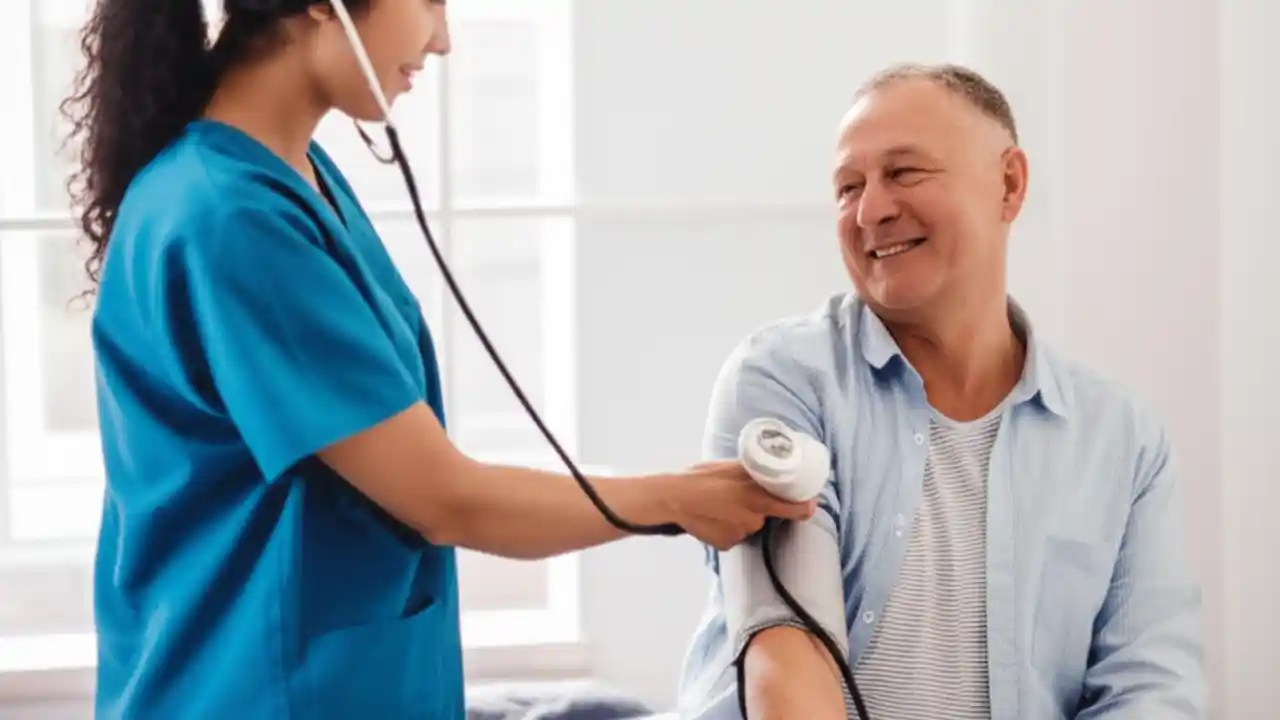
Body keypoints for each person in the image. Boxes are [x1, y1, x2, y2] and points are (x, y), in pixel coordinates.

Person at [64, 1, 817, 717]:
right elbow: (446, 500)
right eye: (430, 3)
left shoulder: (288, 177)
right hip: (257, 690)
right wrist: (675, 500)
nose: (442, 40)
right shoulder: (233, 218)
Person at [677, 63, 1206, 719]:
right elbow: (788, 659)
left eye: (904, 173)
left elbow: (1151, 688)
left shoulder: (1122, 437)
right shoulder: (784, 380)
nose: (870, 211)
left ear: (1008, 184)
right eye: (848, 187)